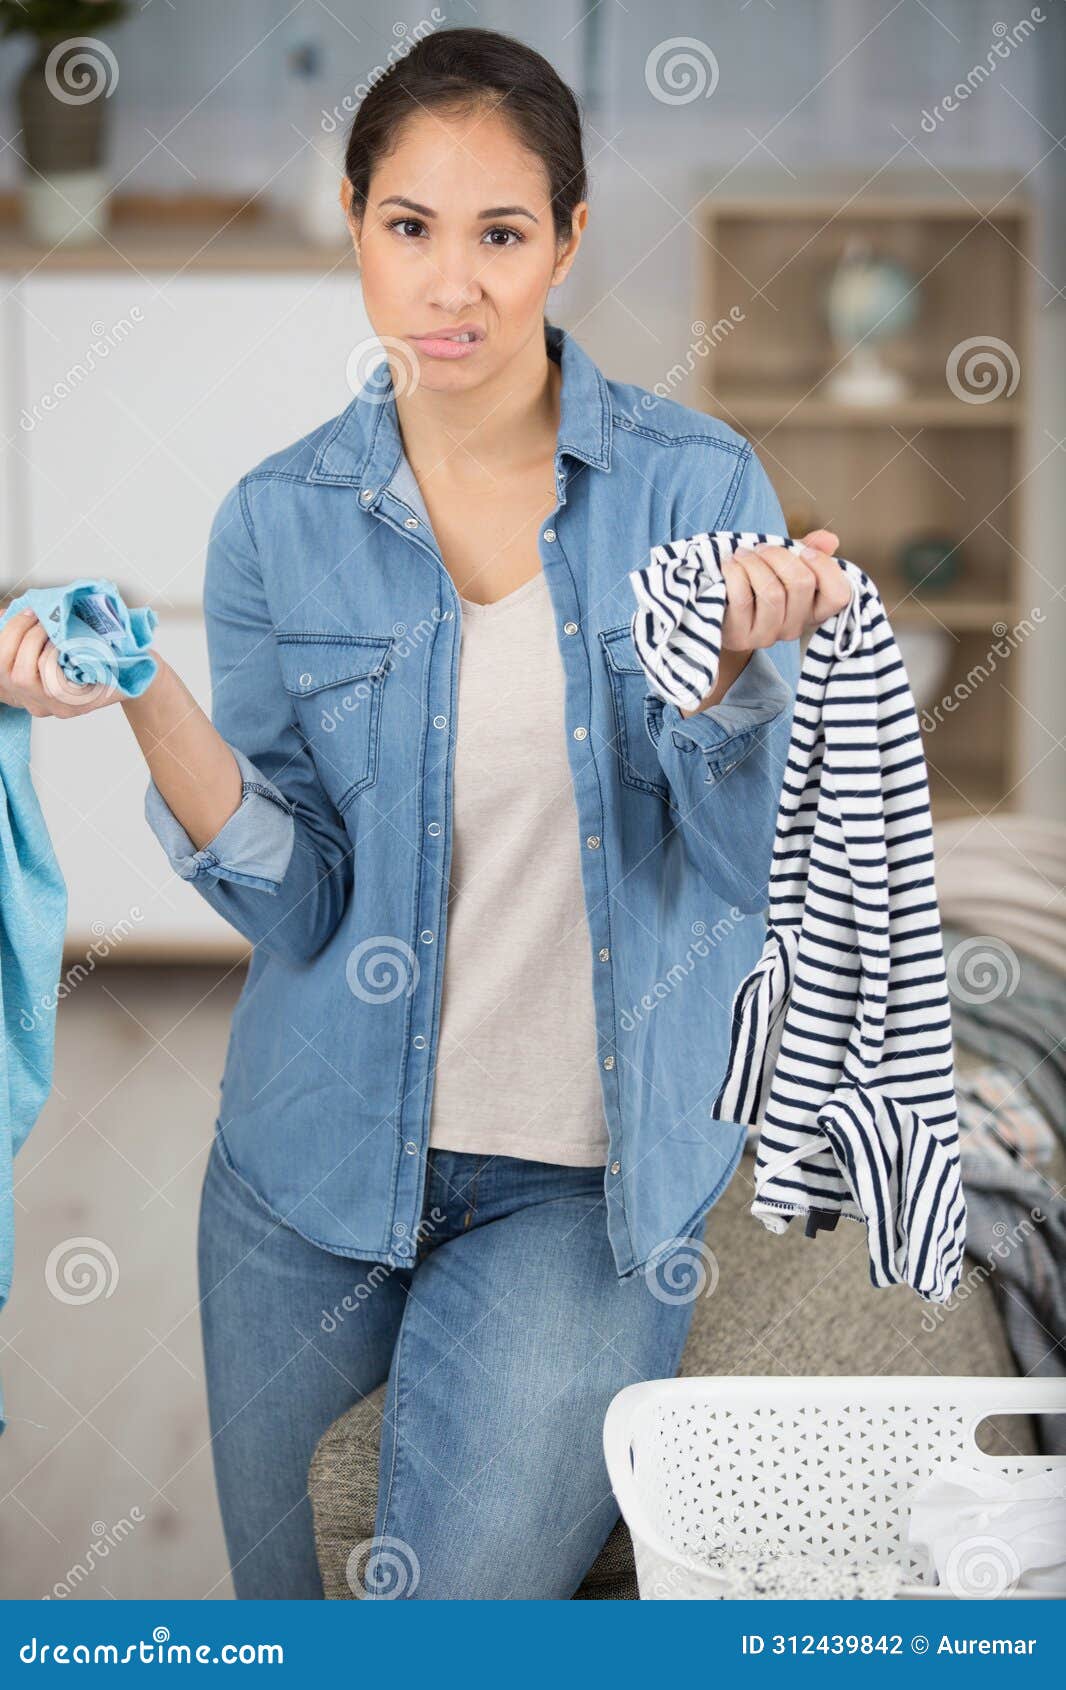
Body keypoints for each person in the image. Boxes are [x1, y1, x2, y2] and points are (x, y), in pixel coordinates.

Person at [0, 26, 848, 1600]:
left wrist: (734, 683)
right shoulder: (277, 518)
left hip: (579, 1184)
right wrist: (140, 691)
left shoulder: (691, 485)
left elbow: (749, 865)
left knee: (437, 1620)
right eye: (410, 227)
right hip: (306, 1166)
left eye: (501, 233)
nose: (450, 286)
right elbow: (296, 900)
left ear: (569, 241)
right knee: (286, 1618)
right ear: (354, 221)